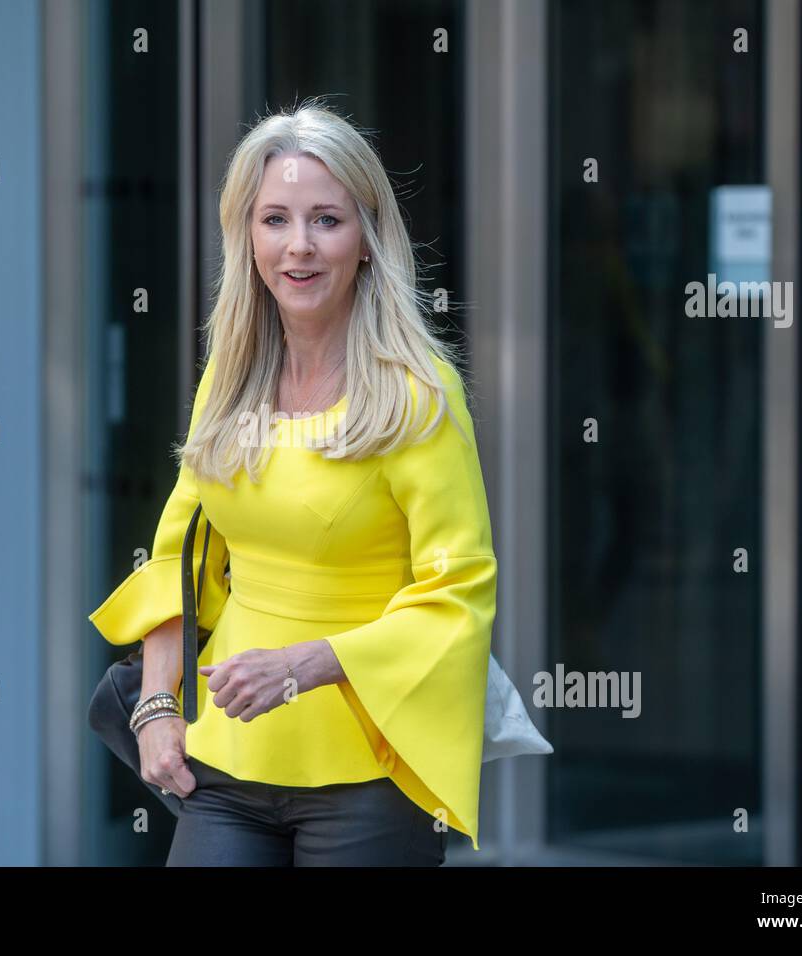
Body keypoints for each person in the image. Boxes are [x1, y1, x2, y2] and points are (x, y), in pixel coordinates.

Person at [87, 101, 497, 866]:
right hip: (229, 762)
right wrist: (154, 707)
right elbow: (181, 557)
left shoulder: (418, 393)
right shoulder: (232, 378)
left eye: (327, 221)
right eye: (275, 219)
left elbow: (459, 589)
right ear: (246, 235)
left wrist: (305, 664)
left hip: (373, 769)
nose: (298, 246)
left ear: (369, 239)